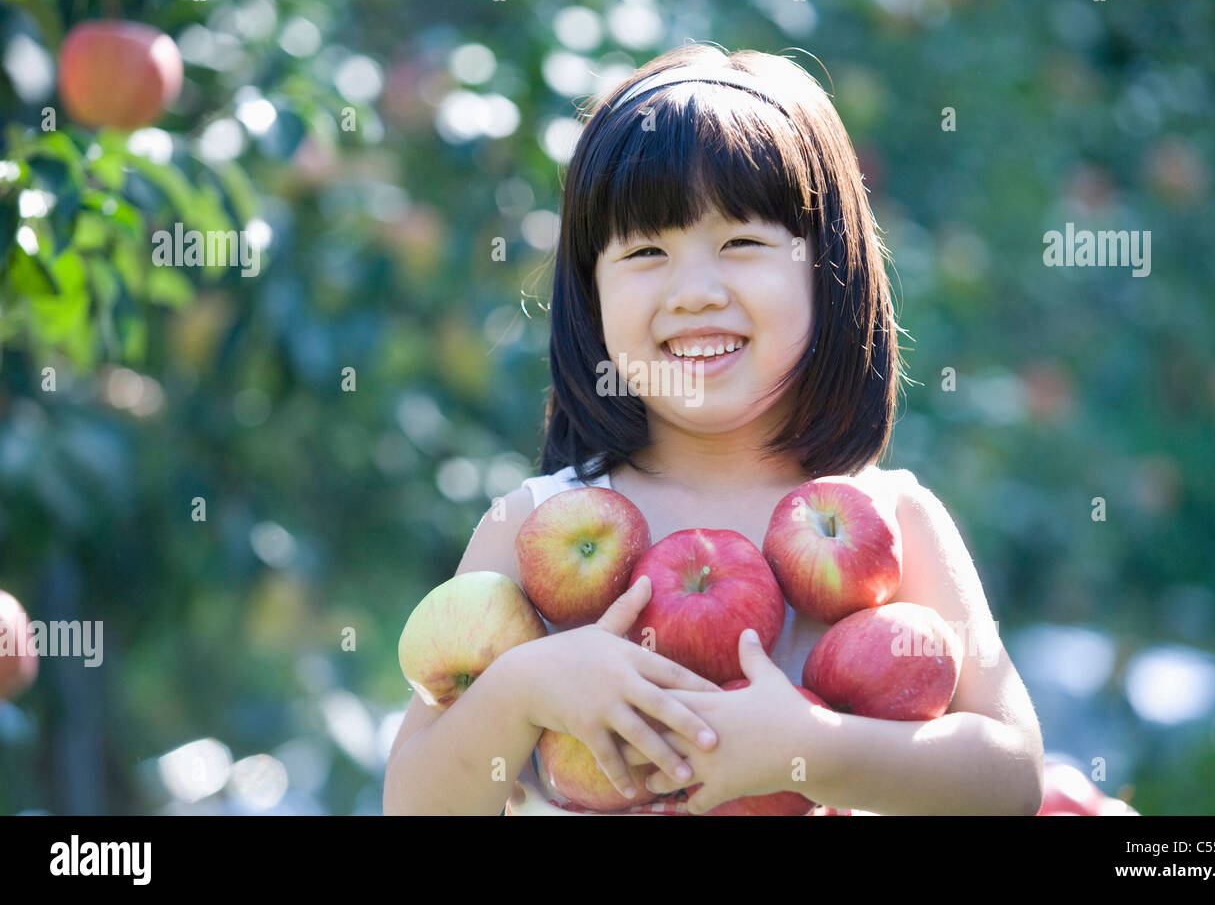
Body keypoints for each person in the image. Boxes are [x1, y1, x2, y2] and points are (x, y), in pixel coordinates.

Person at [383, 43, 1044, 816]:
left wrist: (809, 748)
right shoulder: (532, 529)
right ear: (590, 294)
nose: (695, 291)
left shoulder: (892, 529)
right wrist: (525, 688)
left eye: (742, 244)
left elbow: (1010, 778)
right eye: (646, 252)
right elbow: (415, 805)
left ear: (829, 273)